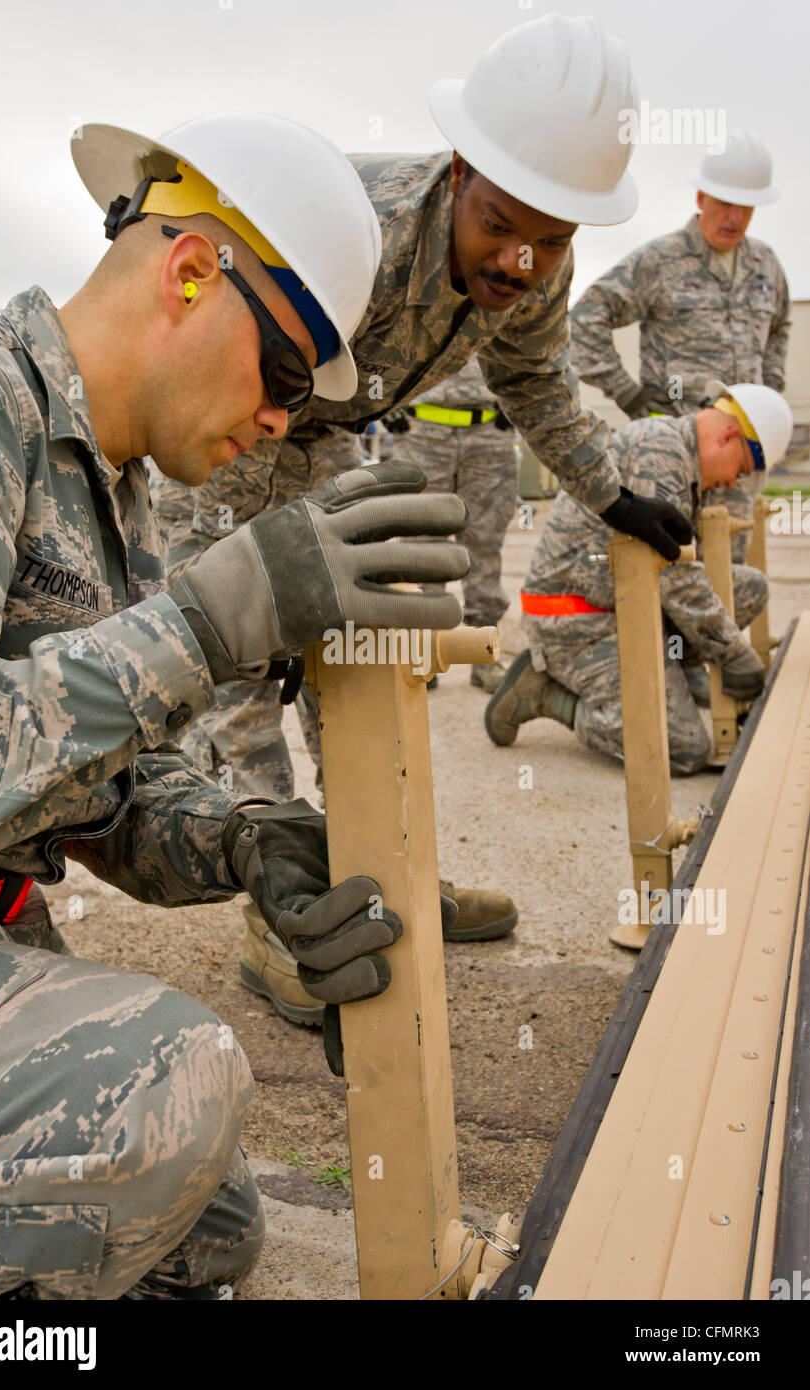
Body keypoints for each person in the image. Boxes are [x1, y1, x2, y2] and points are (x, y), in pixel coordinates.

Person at [0, 111, 471, 1300]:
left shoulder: (119, 495)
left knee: (207, 1219)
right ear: (191, 270)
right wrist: (198, 626)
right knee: (164, 1080)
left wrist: (246, 841)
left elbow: (95, 792)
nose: (287, 421)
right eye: (285, 373)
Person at [152, 14, 692, 1003]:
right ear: (457, 171)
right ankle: (285, 921)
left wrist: (613, 493)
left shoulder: (539, 261)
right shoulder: (350, 219)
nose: (521, 264)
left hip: (335, 452)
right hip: (228, 440)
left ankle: (385, 875)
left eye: (551, 240)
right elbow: (185, 316)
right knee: (237, 683)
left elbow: (535, 386)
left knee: (367, 663)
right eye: (501, 226)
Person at [484, 382, 793, 775]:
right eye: (742, 470)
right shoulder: (658, 452)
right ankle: (546, 694)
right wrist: (732, 655)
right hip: (578, 621)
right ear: (729, 436)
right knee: (681, 749)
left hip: (625, 602)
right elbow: (677, 578)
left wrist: (720, 651)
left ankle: (669, 677)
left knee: (748, 588)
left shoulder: (680, 454)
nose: (733, 483)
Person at [570, 129, 790, 558]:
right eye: (726, 203)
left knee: (730, 572)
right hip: (672, 453)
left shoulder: (766, 264)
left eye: (747, 207)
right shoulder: (660, 261)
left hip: (739, 457)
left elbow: (781, 327)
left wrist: (771, 391)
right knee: (669, 569)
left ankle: (716, 631)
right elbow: (585, 319)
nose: (736, 218)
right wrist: (629, 394)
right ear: (701, 198)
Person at [384, 355, 519, 693]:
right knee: (422, 546)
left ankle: (484, 653)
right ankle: (426, 653)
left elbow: (533, 353)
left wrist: (517, 405)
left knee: (485, 543)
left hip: (490, 434)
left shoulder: (508, 302)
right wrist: (385, 407)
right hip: (422, 433)